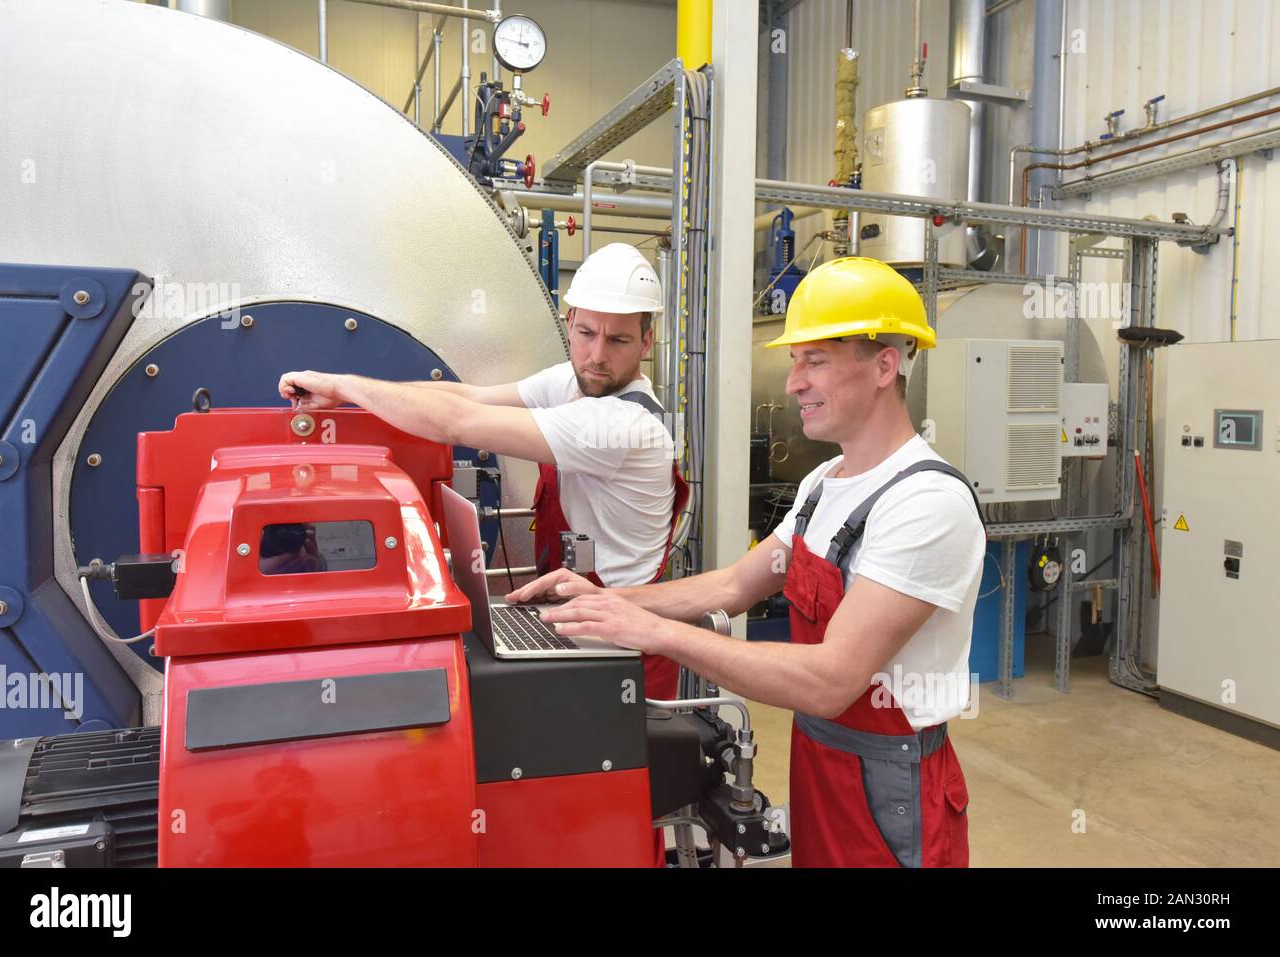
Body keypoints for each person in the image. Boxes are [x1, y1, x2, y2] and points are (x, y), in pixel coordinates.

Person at [510, 257, 986, 867]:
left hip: (891, 781)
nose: (792, 384)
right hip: (819, 757)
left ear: (884, 365)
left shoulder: (926, 502)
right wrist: (605, 601)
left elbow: (831, 679)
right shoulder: (825, 482)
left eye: (814, 361)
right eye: (794, 361)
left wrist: (656, 632)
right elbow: (737, 584)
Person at [277, 242, 688, 701]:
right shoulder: (573, 383)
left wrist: (344, 385)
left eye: (618, 340)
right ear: (569, 322)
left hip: (624, 655)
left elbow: (457, 423)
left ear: (647, 342)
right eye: (587, 332)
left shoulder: (621, 425)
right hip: (576, 623)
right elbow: (468, 398)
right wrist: (348, 398)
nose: (595, 354)